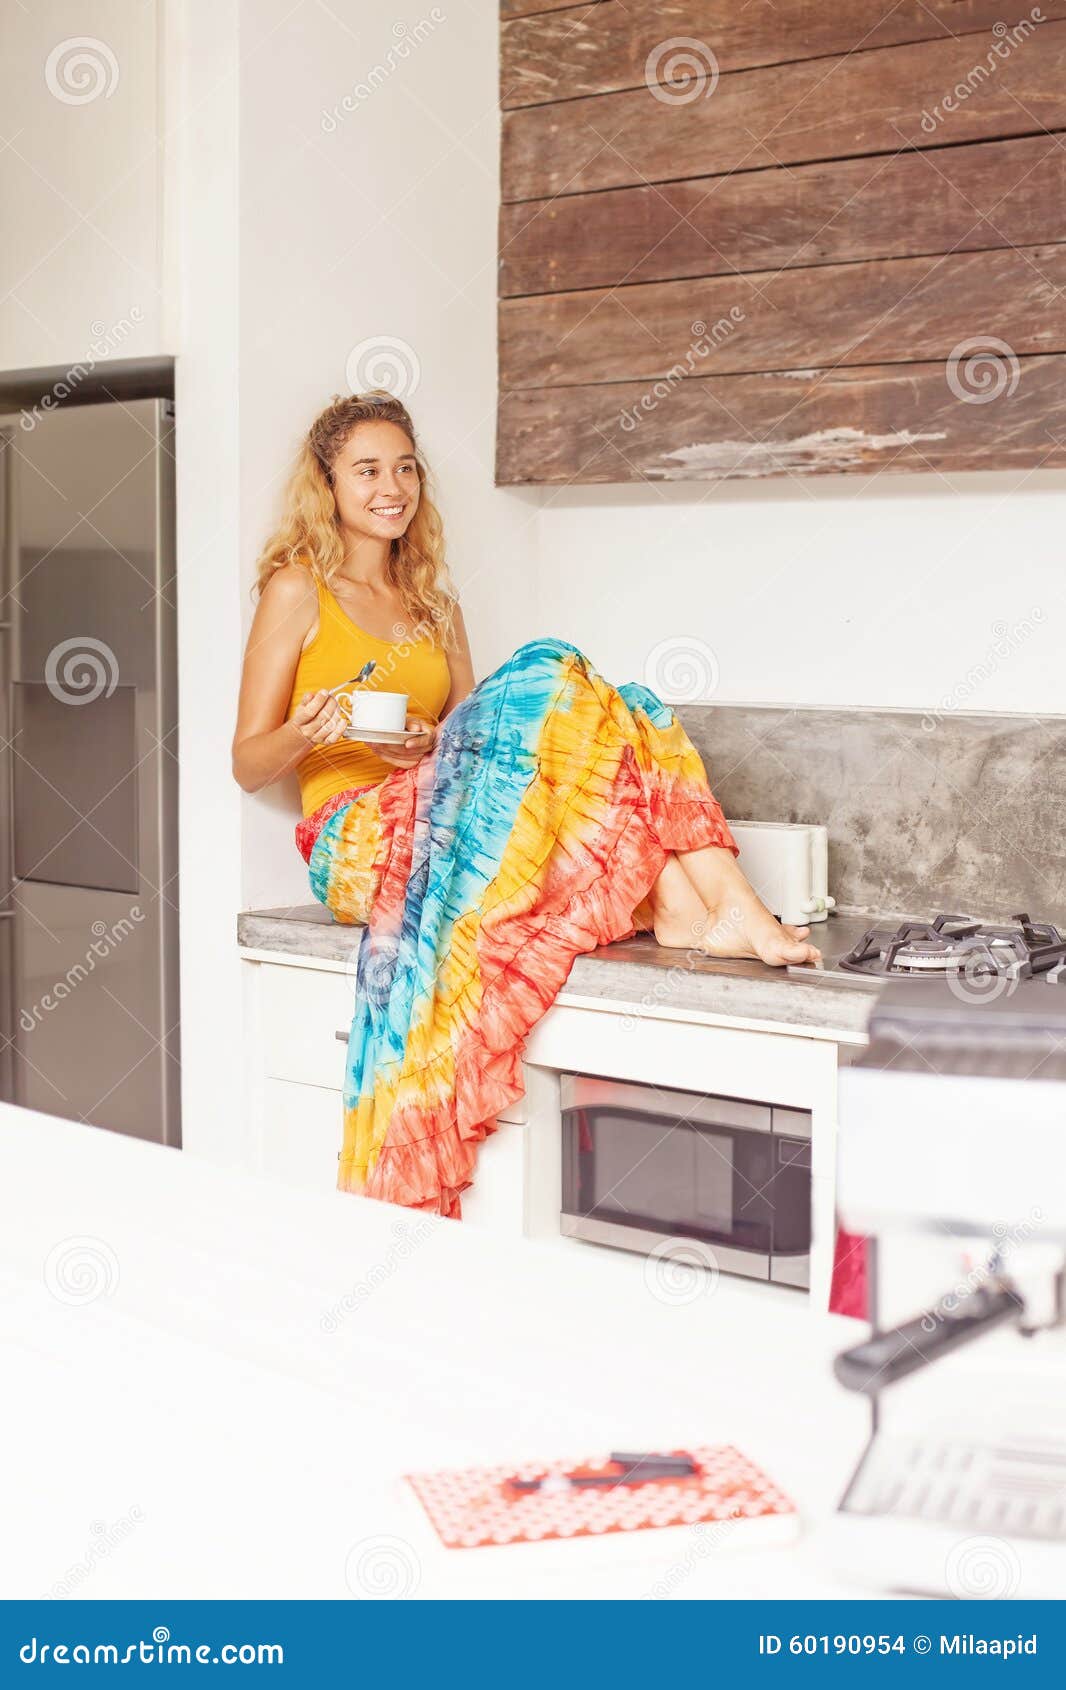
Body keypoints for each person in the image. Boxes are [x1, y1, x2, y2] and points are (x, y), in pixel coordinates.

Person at [233, 391, 820, 1216]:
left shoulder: (433, 604)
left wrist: (423, 744)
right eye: (366, 470)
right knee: (551, 663)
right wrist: (307, 733)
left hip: (438, 818)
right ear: (327, 484)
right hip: (354, 838)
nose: (391, 487)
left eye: (405, 468)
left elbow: (473, 744)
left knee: (636, 706)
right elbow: (246, 761)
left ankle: (711, 907)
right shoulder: (298, 590)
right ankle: (705, 905)